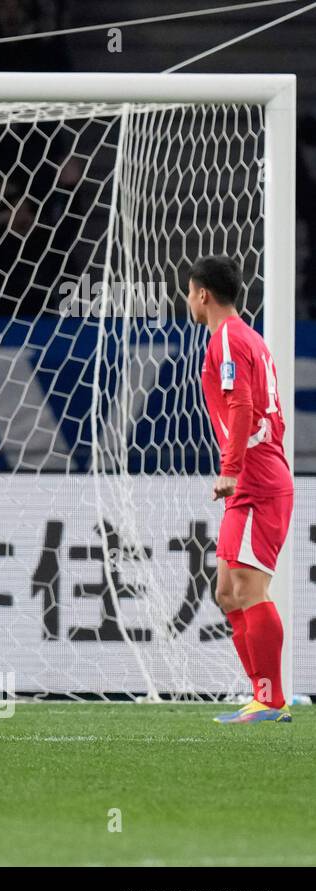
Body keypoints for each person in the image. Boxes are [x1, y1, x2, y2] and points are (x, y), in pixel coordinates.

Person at [187, 256, 295, 724]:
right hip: (253, 480)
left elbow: (244, 404)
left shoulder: (229, 337)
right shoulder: (247, 337)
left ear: (203, 294)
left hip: (255, 481)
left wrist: (232, 468)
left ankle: (270, 700)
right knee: (228, 592)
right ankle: (261, 696)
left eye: (189, 292)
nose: (188, 301)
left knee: (249, 587)